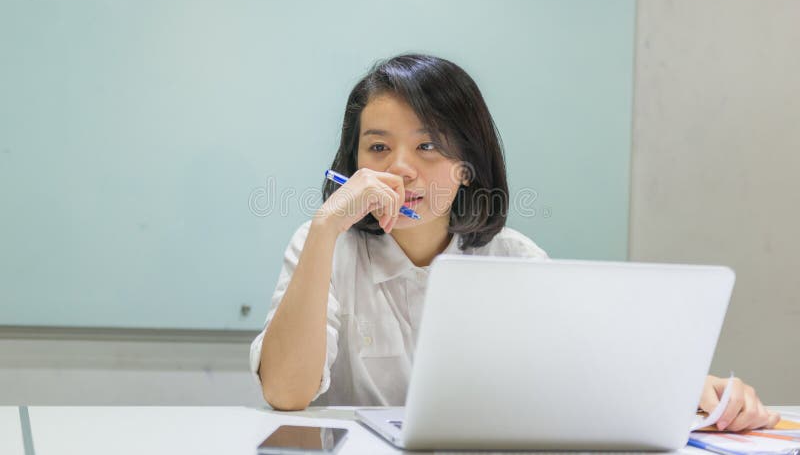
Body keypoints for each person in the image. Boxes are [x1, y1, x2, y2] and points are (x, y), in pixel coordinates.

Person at [250, 54, 780, 431]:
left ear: (465, 169)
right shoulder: (325, 247)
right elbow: (285, 393)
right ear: (353, 163)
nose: (400, 170)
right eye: (378, 147)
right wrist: (325, 228)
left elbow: (590, 376)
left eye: (428, 145)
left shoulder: (514, 258)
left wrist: (691, 390)